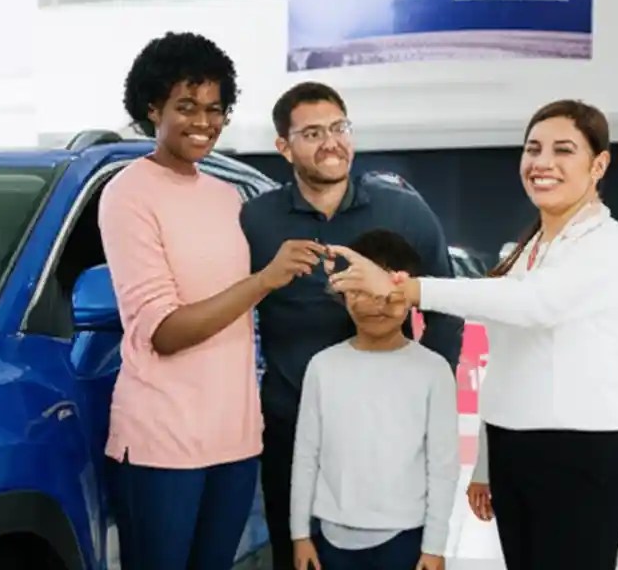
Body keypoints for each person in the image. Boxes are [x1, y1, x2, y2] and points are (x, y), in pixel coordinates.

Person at [327, 99, 618, 570]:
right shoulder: (529, 248)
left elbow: (535, 306)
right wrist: (484, 462)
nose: (542, 163)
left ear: (598, 164)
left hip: (584, 450)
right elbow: (508, 359)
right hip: (515, 445)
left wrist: (410, 289)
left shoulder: (613, 244)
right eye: (532, 149)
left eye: (563, 150)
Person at [98, 32, 324, 569]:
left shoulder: (226, 196)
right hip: (162, 444)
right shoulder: (128, 193)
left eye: (214, 108)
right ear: (152, 107)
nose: (203, 121)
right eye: (186, 106)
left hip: (236, 441)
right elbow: (164, 331)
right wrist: (265, 279)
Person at [238, 81, 464, 566]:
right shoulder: (255, 221)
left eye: (339, 127)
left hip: (389, 435)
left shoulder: (404, 212)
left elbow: (444, 305)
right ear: (284, 146)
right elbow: (233, 310)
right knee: (296, 554)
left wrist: (426, 389)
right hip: (291, 426)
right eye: (313, 132)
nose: (331, 142)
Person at [291, 228, 457, 570]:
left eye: (386, 294)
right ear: (343, 293)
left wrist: (435, 546)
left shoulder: (432, 370)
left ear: (411, 294)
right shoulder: (323, 366)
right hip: (330, 535)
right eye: (360, 293)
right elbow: (306, 454)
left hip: (405, 535)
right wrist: (300, 534)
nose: (374, 305)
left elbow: (443, 465)